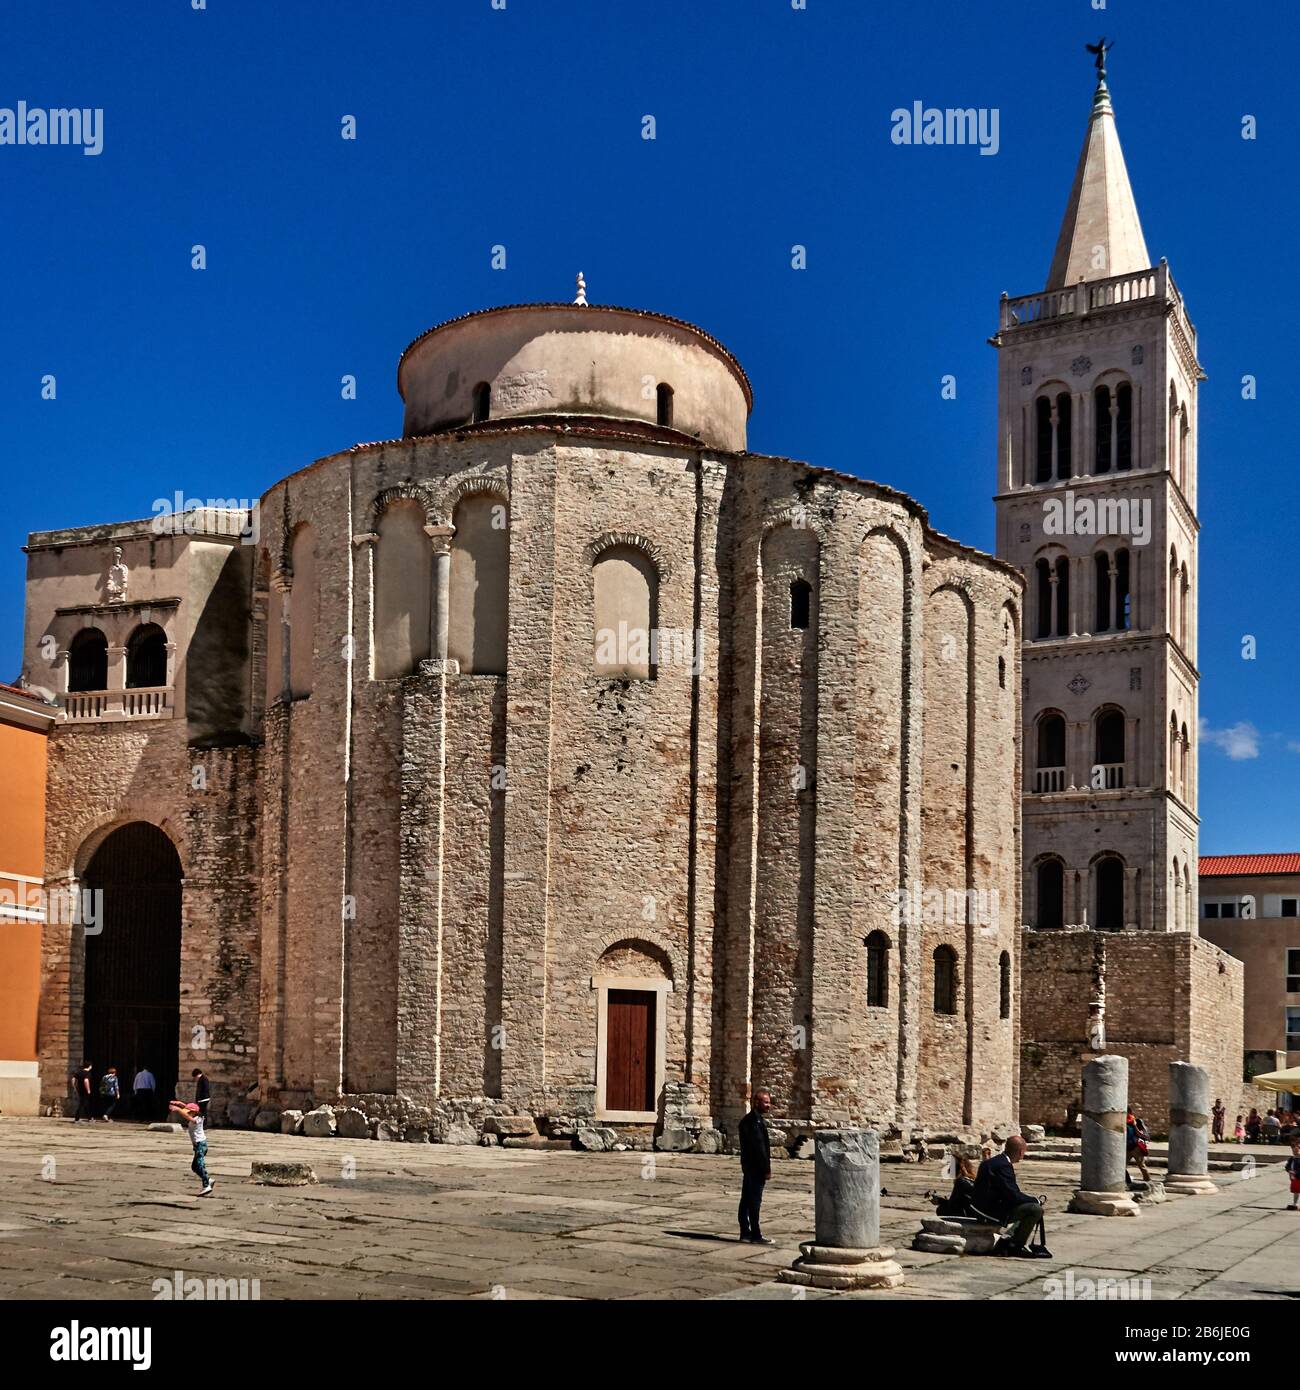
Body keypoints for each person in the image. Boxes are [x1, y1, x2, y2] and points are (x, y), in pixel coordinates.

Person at [971, 1137, 1050, 1259]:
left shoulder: (991, 1162)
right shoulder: (1003, 1166)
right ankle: (1016, 1245)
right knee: (1035, 1210)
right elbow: (1014, 1195)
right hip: (990, 1212)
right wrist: (1036, 1201)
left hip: (979, 1208)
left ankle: (1010, 1237)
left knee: (1024, 1206)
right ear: (1020, 1152)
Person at [737, 1087, 773, 1244]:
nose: (768, 1105)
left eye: (769, 1102)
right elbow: (760, 1149)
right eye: (765, 1102)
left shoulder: (752, 1120)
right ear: (756, 1102)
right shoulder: (753, 1122)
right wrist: (766, 1170)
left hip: (749, 1167)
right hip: (755, 1169)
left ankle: (745, 1232)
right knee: (753, 1201)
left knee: (746, 1200)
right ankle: (755, 1234)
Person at [169, 1100, 214, 1197]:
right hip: (197, 1145)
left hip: (201, 1145)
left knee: (200, 1164)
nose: (188, 1113)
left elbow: (188, 1116)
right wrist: (180, 1104)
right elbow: (187, 1109)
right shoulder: (195, 1114)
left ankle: (206, 1185)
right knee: (194, 1166)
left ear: (194, 1112)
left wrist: (178, 1110)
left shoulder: (198, 1118)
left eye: (190, 1112)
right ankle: (208, 1179)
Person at [928, 1152, 978, 1218]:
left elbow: (952, 1204)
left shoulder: (961, 1181)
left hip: (970, 1214)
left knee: (941, 1209)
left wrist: (939, 1201)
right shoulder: (973, 1179)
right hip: (978, 1211)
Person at [1125, 1110, 1151, 1185]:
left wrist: (1134, 1125)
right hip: (1127, 1148)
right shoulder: (1122, 1121)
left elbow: (1140, 1134)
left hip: (1135, 1147)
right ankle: (1128, 1181)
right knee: (1122, 1166)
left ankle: (1148, 1181)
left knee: (1141, 1166)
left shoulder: (1135, 1122)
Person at [1287, 1139, 1300, 1211]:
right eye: (1294, 1151)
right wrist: (1289, 1170)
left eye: (1297, 1151)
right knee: (1296, 1191)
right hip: (1294, 1178)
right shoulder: (1292, 1159)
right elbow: (1287, 1166)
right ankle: (1295, 1203)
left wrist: (1296, 1172)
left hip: (1298, 1177)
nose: (1295, 1153)